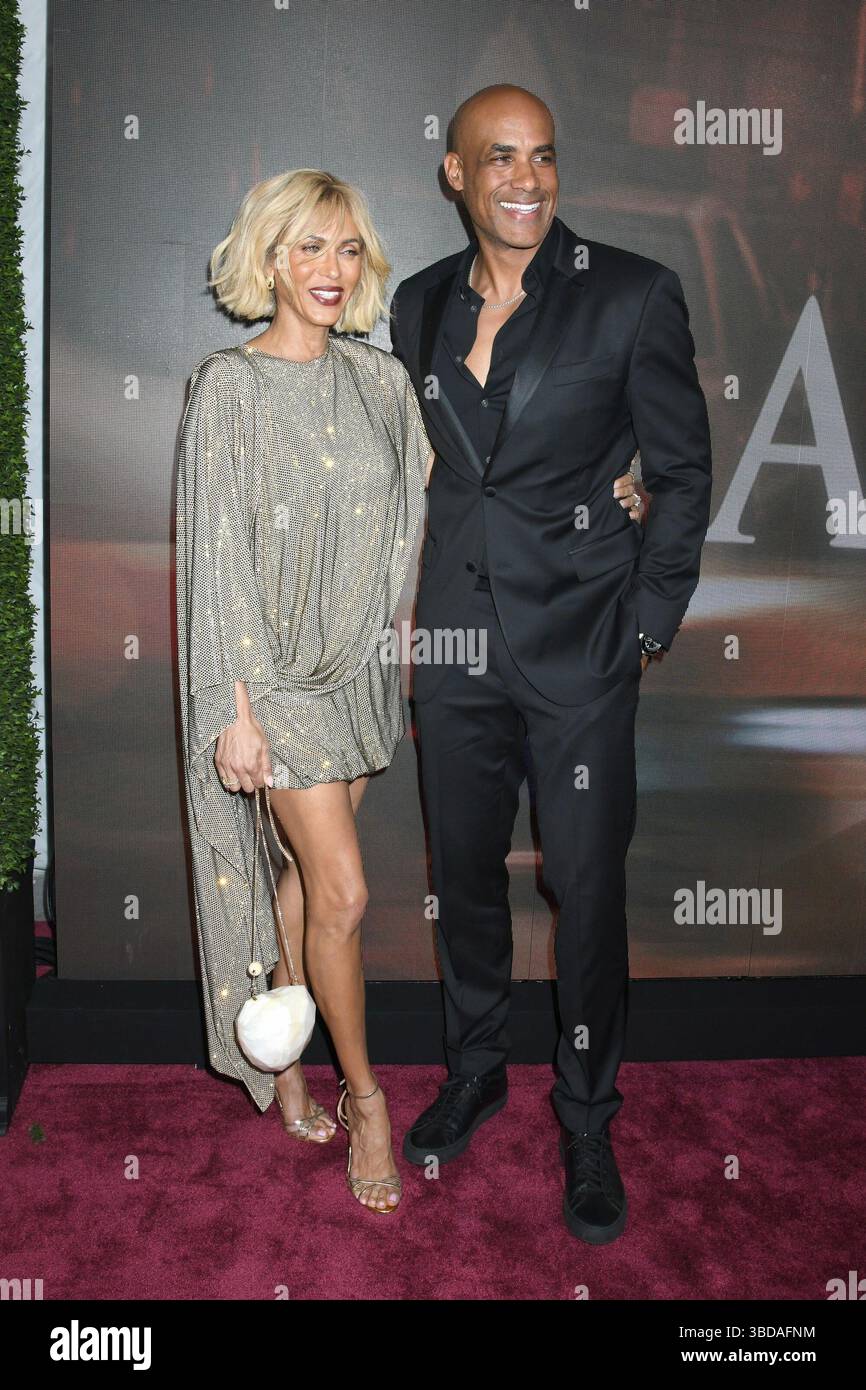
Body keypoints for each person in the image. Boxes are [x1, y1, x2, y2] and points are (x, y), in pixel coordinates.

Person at [175, 166, 645, 1216]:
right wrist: (233, 710)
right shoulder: (228, 387)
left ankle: (288, 1061)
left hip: (356, 675)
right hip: (272, 683)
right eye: (306, 248)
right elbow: (216, 561)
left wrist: (618, 474)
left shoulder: (382, 382)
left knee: (302, 882)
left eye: (346, 250)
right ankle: (367, 1099)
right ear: (268, 259)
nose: (330, 270)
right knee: (342, 893)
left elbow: (491, 469)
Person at [389, 85, 712, 1244]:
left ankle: (586, 1116)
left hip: (581, 650)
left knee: (581, 893)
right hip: (456, 650)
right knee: (464, 880)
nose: (524, 179)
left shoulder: (628, 294)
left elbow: (676, 467)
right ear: (455, 173)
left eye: (542, 157)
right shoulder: (416, 304)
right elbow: (435, 474)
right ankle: (476, 1068)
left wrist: (647, 619)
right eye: (498, 159)